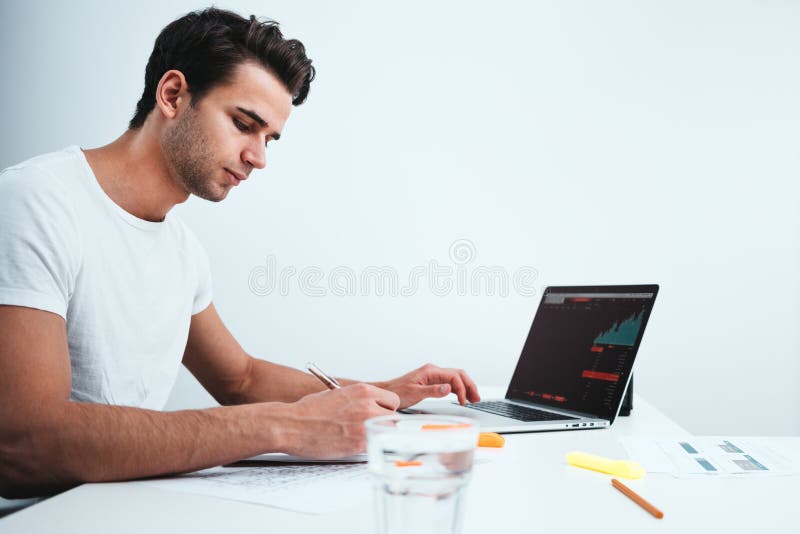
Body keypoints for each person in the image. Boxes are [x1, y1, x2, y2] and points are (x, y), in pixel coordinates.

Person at [0, 7, 480, 499]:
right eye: (243, 124)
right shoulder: (36, 202)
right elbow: (23, 442)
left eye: (269, 137)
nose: (259, 157)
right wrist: (286, 426)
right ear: (172, 95)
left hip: (123, 509)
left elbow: (242, 378)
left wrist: (385, 392)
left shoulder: (181, 250)